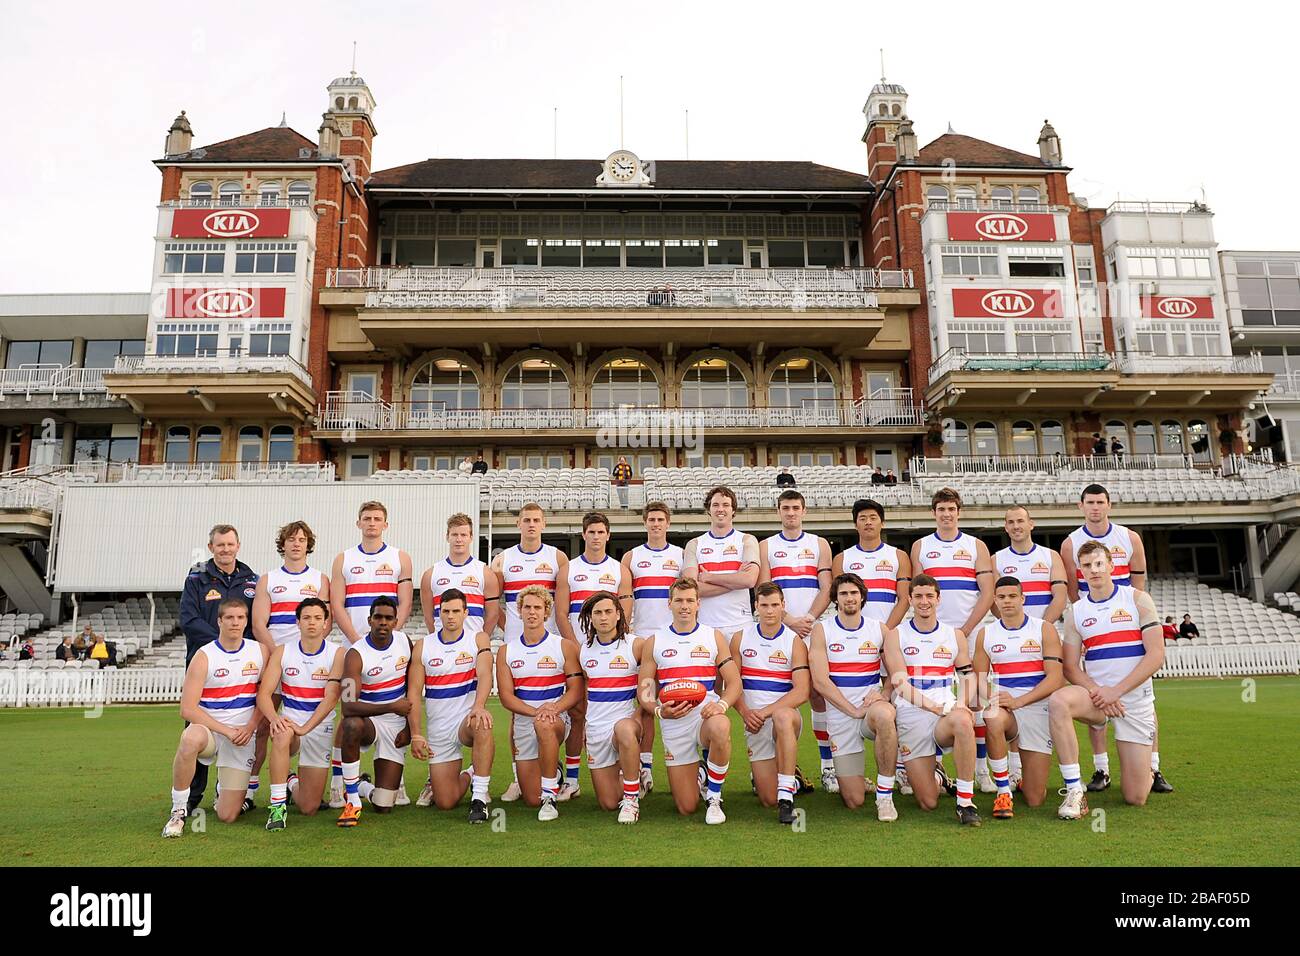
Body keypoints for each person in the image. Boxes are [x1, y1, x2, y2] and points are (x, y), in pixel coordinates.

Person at [1061, 483, 1172, 794]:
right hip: (1091, 623)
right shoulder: (1071, 544)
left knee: (1145, 700)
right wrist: (1084, 617)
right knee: (1095, 694)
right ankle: (1101, 769)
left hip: (1126, 616)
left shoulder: (1129, 537)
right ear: (1081, 507)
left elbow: (1139, 579)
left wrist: (1132, 611)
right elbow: (1073, 587)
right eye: (1090, 502)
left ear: (1109, 505)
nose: (1095, 507)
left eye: (1100, 502)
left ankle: (1154, 766)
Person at [1048, 540, 1165, 818]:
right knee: (1058, 702)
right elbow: (1071, 667)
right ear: (1080, 572)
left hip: (1132, 700)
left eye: (1099, 563)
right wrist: (1099, 690)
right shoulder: (1076, 611)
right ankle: (1075, 790)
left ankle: (1146, 767)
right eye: (1087, 566)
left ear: (1112, 566)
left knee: (1135, 797)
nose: (1094, 570)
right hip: (1097, 698)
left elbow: (1156, 655)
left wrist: (1117, 691)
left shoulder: (1137, 599)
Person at [636, 577, 741, 824]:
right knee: (686, 807)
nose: (685, 606)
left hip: (705, 713)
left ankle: (714, 798)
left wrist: (721, 705)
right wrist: (661, 712)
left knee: (721, 725)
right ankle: (701, 773)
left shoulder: (713, 636)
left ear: (698, 604)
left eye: (690, 600)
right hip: (673, 721)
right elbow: (645, 690)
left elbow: (734, 682)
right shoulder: (654, 641)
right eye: (679, 600)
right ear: (669, 603)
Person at [330, 501, 414, 807]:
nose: (372, 523)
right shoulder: (344, 558)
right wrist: (359, 640)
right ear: (359, 523)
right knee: (348, 713)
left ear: (385, 525)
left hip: (385, 641)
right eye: (367, 518)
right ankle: (340, 785)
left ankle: (394, 783)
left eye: (377, 519)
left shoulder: (399, 557)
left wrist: (391, 635)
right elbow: (337, 604)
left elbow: (403, 603)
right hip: (355, 642)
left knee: (398, 692)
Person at [911, 487, 995, 791]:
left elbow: (987, 593)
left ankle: (981, 768)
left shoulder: (976, 546)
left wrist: (965, 630)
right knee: (933, 698)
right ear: (934, 513)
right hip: (931, 637)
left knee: (975, 700)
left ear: (959, 512)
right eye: (941, 509)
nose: (946, 514)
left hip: (968, 633)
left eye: (951, 509)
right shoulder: (920, 546)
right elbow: (919, 590)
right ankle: (936, 767)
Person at [882, 573, 982, 826]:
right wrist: (934, 707)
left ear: (938, 599)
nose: (924, 601)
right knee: (928, 802)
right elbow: (900, 684)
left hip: (946, 713)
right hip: (912, 712)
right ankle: (937, 775)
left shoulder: (954, 634)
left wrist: (960, 704)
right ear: (910, 599)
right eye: (918, 596)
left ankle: (965, 802)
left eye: (929, 596)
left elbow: (969, 675)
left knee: (962, 720)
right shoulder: (896, 635)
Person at [162, 599, 267, 837]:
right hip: (211, 733)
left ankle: (224, 789)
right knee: (190, 737)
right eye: (229, 617)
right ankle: (178, 811)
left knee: (228, 815)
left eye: (240, 617)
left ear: (246, 621)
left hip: (242, 736)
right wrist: (225, 730)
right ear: (219, 621)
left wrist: (250, 727)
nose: (235, 622)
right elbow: (187, 709)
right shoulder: (204, 656)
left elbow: (266, 695)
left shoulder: (259, 651)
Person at [491, 502, 568, 802]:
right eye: (526, 520)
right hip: (516, 642)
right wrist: (508, 627)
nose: (532, 525)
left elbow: (561, 601)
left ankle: (557, 769)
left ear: (544, 524)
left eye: (537, 520)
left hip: (548, 644)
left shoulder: (557, 557)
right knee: (515, 713)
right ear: (518, 524)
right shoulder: (504, 558)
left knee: (556, 704)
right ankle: (515, 776)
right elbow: (493, 601)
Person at [807, 572, 899, 820]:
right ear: (836, 598)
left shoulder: (879, 629)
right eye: (844, 593)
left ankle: (885, 796)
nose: (849, 598)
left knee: (885, 714)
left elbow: (896, 673)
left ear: (862, 597)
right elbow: (820, 681)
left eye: (854, 593)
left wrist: (883, 693)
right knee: (854, 800)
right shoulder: (822, 630)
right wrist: (852, 710)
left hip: (871, 709)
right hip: (841, 714)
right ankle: (859, 781)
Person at [249, 520, 330, 802]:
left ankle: (308, 781)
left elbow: (323, 622)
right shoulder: (268, 579)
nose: (296, 544)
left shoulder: (320, 579)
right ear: (282, 544)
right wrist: (278, 658)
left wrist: (300, 655)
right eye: (291, 539)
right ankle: (251, 786)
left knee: (311, 722)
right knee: (262, 726)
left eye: (302, 539)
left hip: (306, 666)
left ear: (309, 545)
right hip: (275, 659)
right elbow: (259, 624)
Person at [178, 523, 257, 813]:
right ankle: (189, 798)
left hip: (241, 671)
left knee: (239, 732)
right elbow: (188, 619)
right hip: (205, 667)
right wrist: (223, 646)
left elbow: (255, 623)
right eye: (220, 545)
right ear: (211, 547)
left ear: (238, 546)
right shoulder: (197, 576)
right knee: (197, 734)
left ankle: (227, 792)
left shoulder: (251, 579)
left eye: (230, 544)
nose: (225, 549)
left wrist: (239, 648)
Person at [972, 577, 1066, 818]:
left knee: (1035, 799)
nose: (1007, 601)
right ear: (995, 600)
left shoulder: (1043, 628)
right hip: (1006, 710)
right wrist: (992, 696)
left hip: (1036, 707)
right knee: (991, 716)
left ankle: (1025, 781)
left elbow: (1055, 678)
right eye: (1001, 597)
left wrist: (1019, 702)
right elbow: (978, 678)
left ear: (1023, 598)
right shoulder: (986, 634)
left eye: (1013, 596)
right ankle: (1003, 791)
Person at [758, 490, 832, 791]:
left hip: (811, 628)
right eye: (786, 508)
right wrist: (788, 620)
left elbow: (826, 587)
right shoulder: (766, 546)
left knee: (816, 694)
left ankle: (827, 768)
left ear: (804, 511)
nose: (791, 513)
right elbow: (763, 588)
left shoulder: (819, 544)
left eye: (796, 508)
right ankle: (770, 767)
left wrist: (809, 620)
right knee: (772, 693)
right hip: (779, 628)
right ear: (778, 511)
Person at [556, 511, 632, 801]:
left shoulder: (619, 570)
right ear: (584, 534)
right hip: (579, 650)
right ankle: (572, 779)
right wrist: (577, 648)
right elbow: (562, 613)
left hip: (611, 653)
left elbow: (625, 611)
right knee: (578, 712)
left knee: (620, 710)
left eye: (601, 532)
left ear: (608, 535)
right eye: (591, 532)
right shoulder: (569, 569)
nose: (596, 537)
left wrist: (614, 646)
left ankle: (628, 774)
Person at [993, 505, 1068, 789]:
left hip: (1044, 638)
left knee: (1053, 705)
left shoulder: (1050, 556)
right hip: (1012, 641)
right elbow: (993, 598)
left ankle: (1067, 772)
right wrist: (1013, 628)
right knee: (1011, 701)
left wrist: (1038, 631)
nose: (1016, 526)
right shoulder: (996, 558)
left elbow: (1059, 597)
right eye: (1010, 522)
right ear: (1005, 527)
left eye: (1020, 521)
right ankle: (1015, 772)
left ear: (1031, 524)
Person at [406, 589, 496, 823]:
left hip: (466, 720)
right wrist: (416, 733)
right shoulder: (423, 646)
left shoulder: (478, 639)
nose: (451, 616)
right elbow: (414, 692)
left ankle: (479, 798)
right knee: (445, 802)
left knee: (483, 723)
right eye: (446, 611)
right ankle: (471, 772)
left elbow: (486, 674)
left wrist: (478, 706)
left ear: (466, 613)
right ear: (439, 613)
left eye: (456, 611)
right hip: (439, 730)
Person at [257, 597, 346, 830]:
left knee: (309, 807)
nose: (312, 623)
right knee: (282, 734)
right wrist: (275, 719)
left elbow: (331, 698)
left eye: (318, 618)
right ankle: (277, 808)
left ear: (326, 623)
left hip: (319, 727)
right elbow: (264, 695)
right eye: (306, 618)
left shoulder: (337, 653)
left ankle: (291, 781)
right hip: (290, 721)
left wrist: (306, 728)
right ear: (298, 622)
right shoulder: (283, 652)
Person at [495, 586, 583, 821]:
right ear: (519, 611)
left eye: (537, 607)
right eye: (527, 607)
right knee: (529, 798)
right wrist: (536, 711)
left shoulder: (563, 646)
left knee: (544, 725)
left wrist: (554, 708)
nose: (532, 612)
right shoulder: (506, 651)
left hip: (555, 720)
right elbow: (506, 697)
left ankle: (550, 799)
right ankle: (554, 771)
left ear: (546, 612)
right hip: (526, 720)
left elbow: (576, 690)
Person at [733, 583, 810, 824]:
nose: (769, 611)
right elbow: (732, 686)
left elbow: (802, 691)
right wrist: (746, 713)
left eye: (775, 605)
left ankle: (787, 798)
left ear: (783, 606)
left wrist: (763, 713)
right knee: (767, 799)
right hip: (753, 721)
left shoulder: (794, 641)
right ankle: (793, 778)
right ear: (756, 606)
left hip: (780, 718)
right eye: (764, 605)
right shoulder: (740, 638)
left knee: (783, 716)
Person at [622, 500, 683, 795]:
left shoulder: (681, 556)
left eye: (661, 519)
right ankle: (645, 768)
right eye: (651, 519)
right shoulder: (632, 557)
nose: (656, 524)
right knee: (645, 703)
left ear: (668, 523)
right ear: (645, 523)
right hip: (643, 639)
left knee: (682, 699)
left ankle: (687, 763)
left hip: (674, 640)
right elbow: (624, 598)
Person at [336, 596, 413, 826]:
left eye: (388, 618)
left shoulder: (405, 642)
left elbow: (413, 689)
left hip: (397, 725)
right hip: (369, 722)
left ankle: (361, 786)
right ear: (369, 620)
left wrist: (409, 727)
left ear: (396, 621)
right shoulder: (355, 654)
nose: (383, 622)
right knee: (351, 725)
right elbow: (348, 706)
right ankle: (351, 800)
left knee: (383, 805)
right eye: (378, 617)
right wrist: (391, 706)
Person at [575, 591, 645, 823]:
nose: (603, 617)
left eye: (608, 612)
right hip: (596, 727)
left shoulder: (636, 645)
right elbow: (587, 690)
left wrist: (639, 714)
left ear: (618, 615)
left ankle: (632, 799)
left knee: (625, 730)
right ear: (590, 618)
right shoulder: (584, 650)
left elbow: (649, 686)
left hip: (626, 721)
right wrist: (585, 724)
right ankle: (633, 774)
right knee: (608, 802)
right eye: (597, 613)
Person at [682, 485, 760, 636]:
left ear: (733, 510)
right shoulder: (694, 544)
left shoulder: (747, 540)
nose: (720, 509)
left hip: (741, 624)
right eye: (715, 505)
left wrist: (710, 577)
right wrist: (735, 581)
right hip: (706, 625)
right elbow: (690, 589)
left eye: (726, 505)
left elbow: (750, 580)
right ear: (708, 510)